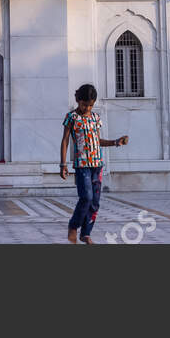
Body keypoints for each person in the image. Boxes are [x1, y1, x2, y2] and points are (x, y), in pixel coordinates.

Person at [58, 84, 127, 244]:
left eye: (90, 105)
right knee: (86, 197)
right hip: (82, 165)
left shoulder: (95, 118)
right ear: (77, 100)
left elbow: (97, 141)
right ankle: (73, 227)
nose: (87, 108)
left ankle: (86, 234)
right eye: (84, 104)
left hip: (97, 165)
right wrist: (63, 164)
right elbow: (65, 140)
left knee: (95, 202)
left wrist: (116, 142)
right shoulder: (71, 118)